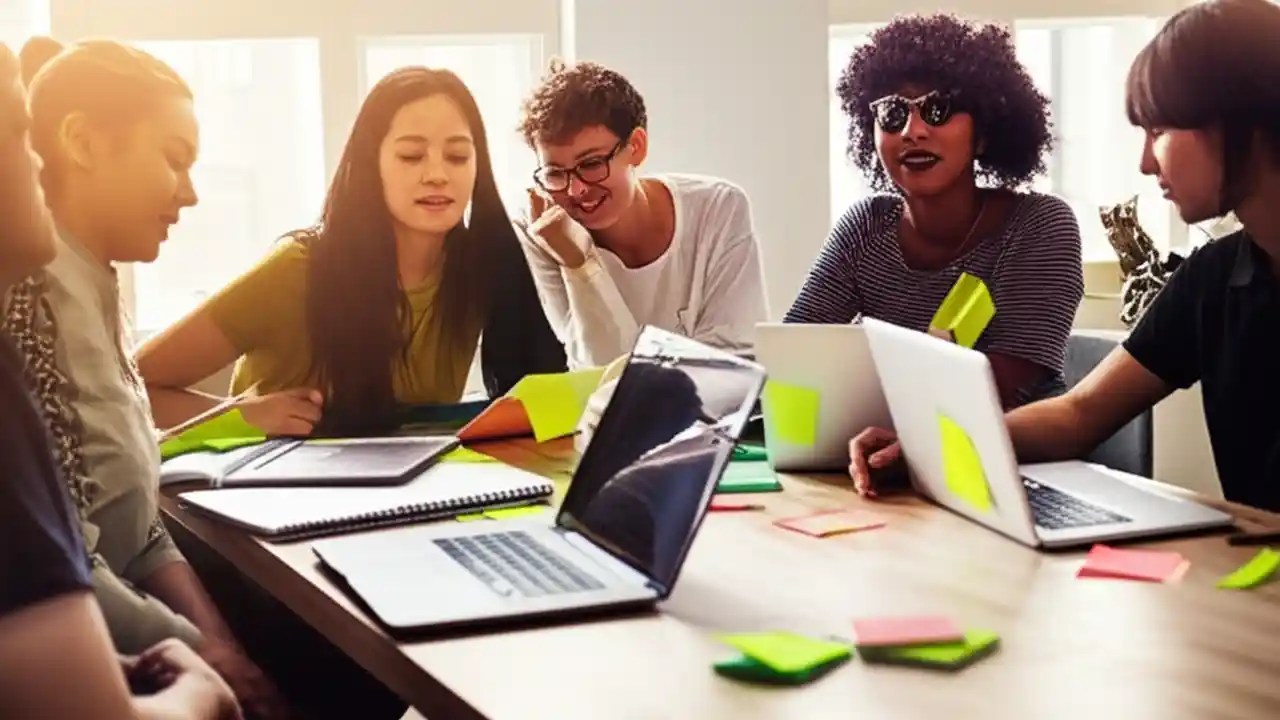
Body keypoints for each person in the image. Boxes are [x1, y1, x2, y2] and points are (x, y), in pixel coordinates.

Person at [849, 0, 1280, 513]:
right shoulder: (1214, 276)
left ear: (1241, 121)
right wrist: (923, 445)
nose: (1145, 163)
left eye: (1159, 131)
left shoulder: (1041, 226)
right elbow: (1079, 414)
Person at [4, 38, 288, 717]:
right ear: (82, 142)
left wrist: (216, 644)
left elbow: (132, 522)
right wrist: (202, 654)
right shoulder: (29, 305)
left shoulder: (100, 283)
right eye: (174, 160)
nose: (189, 193)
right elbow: (67, 553)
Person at [135, 67, 567, 437]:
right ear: (370, 164)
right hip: (265, 499)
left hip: (399, 498)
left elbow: (548, 395)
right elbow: (134, 384)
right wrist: (243, 416)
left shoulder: (483, 268)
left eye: (457, 156)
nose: (437, 174)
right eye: (411, 155)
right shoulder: (298, 270)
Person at [786, 13, 1084, 408]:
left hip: (1021, 459)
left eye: (938, 109)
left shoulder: (1039, 226)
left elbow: (997, 389)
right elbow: (792, 361)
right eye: (893, 113)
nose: (913, 131)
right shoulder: (865, 228)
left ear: (984, 135)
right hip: (886, 450)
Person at [515, 59, 769, 368]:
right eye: (555, 173)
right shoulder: (544, 232)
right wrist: (578, 265)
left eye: (592, 164)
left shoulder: (718, 209)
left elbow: (729, 366)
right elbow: (597, 374)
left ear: (636, 147)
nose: (576, 190)